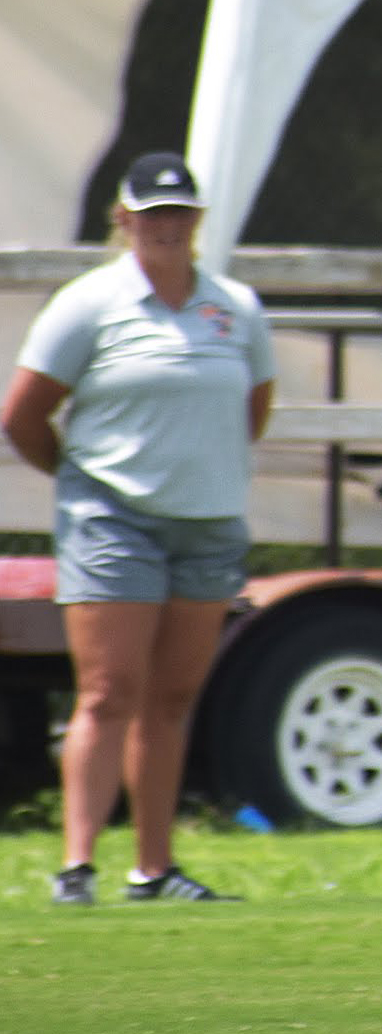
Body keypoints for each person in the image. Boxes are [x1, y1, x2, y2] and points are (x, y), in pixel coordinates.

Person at [2, 151, 274, 905]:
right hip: (113, 517)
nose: (166, 226)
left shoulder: (235, 307)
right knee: (108, 691)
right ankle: (77, 867)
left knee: (173, 697)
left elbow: (251, 410)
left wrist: (200, 466)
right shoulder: (88, 304)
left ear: (197, 220)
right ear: (123, 220)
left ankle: (154, 870)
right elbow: (24, 416)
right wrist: (81, 480)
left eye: (179, 213)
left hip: (207, 521)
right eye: (151, 214)